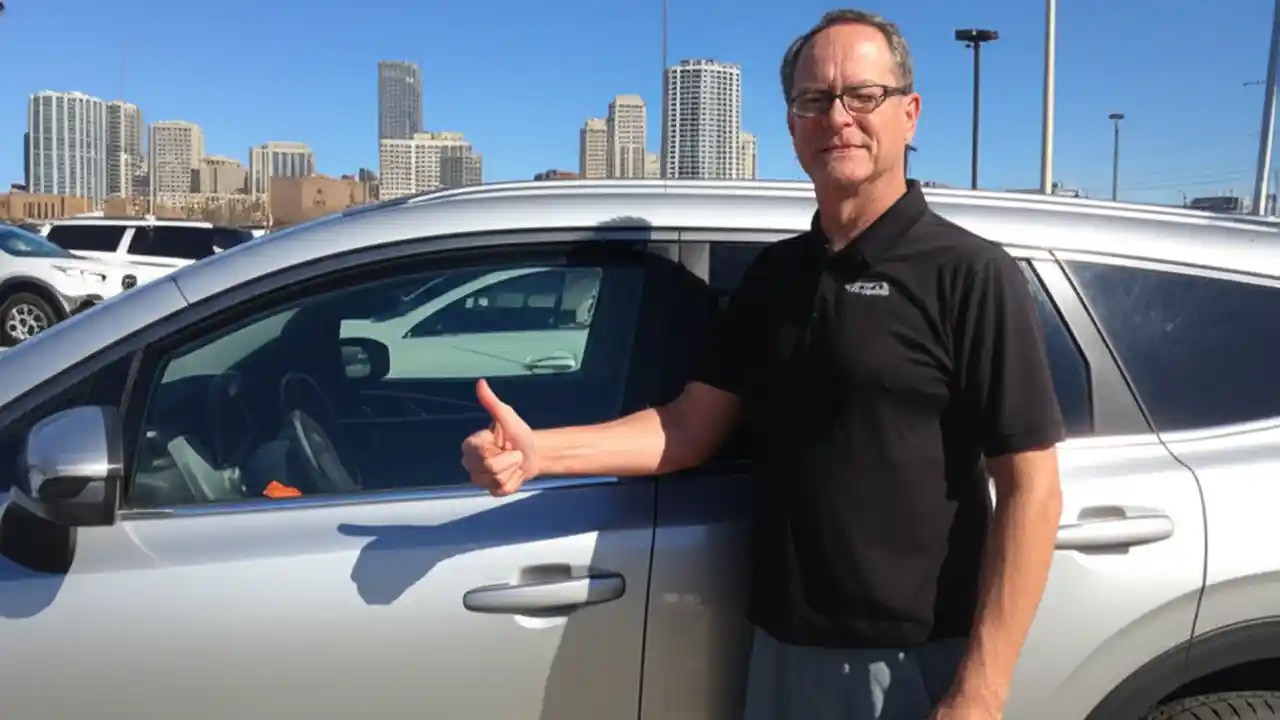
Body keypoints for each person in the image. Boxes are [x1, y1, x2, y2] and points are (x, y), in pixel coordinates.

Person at [461, 8, 1064, 719]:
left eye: (862, 95)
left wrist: (983, 688)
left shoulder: (970, 274)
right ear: (791, 125)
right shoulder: (774, 279)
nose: (838, 116)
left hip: (912, 661)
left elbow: (1032, 490)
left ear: (910, 112)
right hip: (778, 651)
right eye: (814, 99)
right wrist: (539, 453)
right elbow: (688, 428)